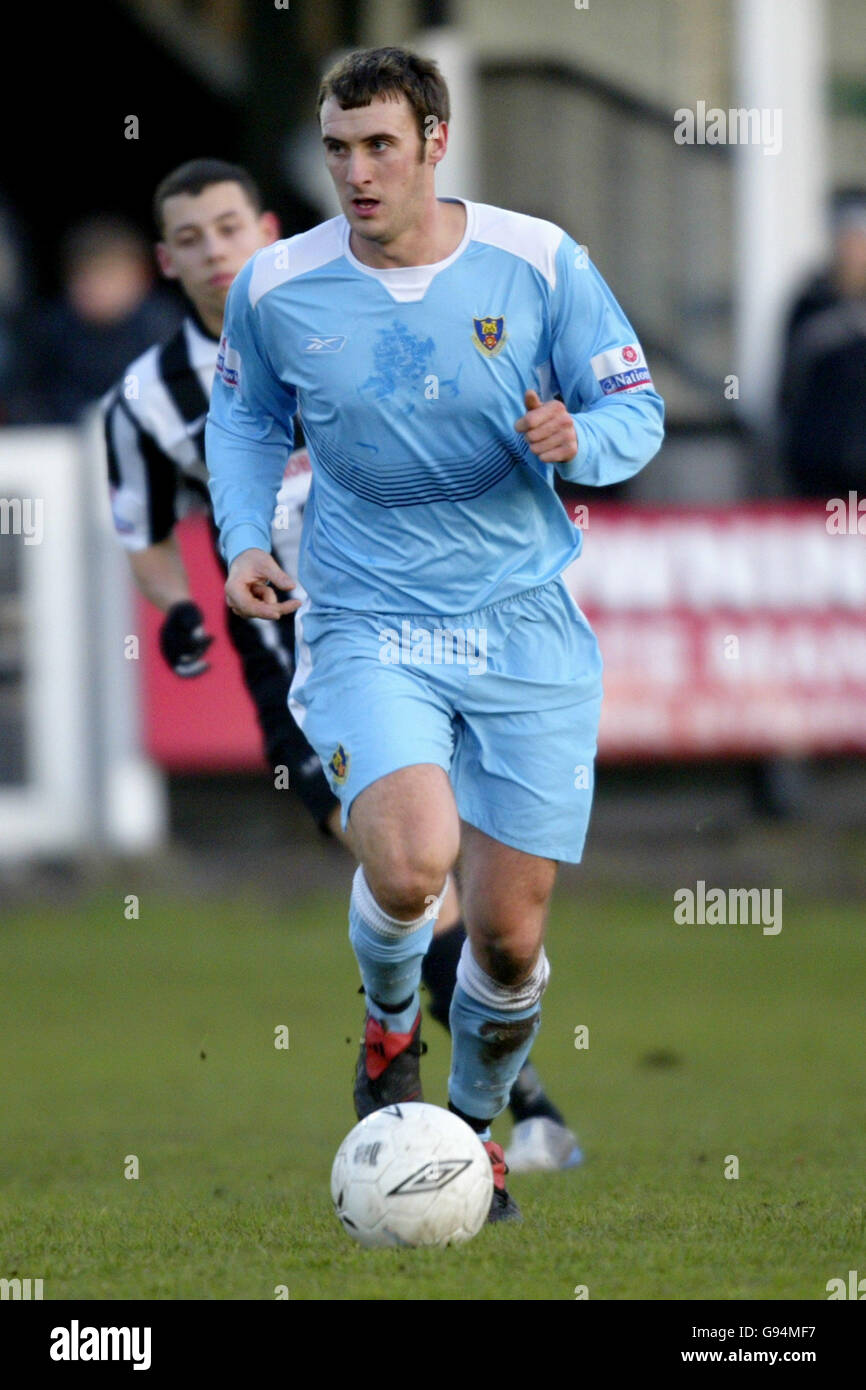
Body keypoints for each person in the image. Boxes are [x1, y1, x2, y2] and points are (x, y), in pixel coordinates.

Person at [206, 48, 664, 1222]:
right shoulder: (276, 287)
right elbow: (248, 418)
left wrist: (584, 443)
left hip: (521, 625)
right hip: (367, 615)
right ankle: (383, 1033)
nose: (356, 173)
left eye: (379, 147)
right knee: (409, 863)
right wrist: (248, 538)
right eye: (337, 149)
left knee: (508, 941)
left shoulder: (539, 260)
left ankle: (464, 1135)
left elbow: (635, 406)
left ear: (433, 143)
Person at [104, 156, 579, 1174]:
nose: (214, 250)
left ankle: (477, 1097)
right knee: (411, 870)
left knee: (476, 892)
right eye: (190, 238)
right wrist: (181, 605)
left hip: (453, 629)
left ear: (265, 226)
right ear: (165, 260)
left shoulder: (351, 316)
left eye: (229, 226)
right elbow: (144, 534)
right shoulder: (146, 399)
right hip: (303, 660)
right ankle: (491, 1108)